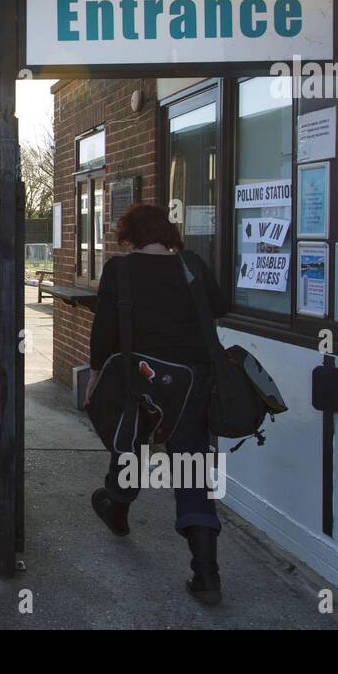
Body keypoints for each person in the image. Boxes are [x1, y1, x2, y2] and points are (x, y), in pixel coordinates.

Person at [85, 203, 227, 605]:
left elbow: (106, 328)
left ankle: (117, 501)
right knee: (190, 465)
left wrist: (96, 375)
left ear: (129, 236)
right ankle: (206, 573)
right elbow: (218, 308)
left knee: (130, 438)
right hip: (192, 380)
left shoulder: (120, 270)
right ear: (168, 232)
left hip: (142, 376)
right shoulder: (192, 265)